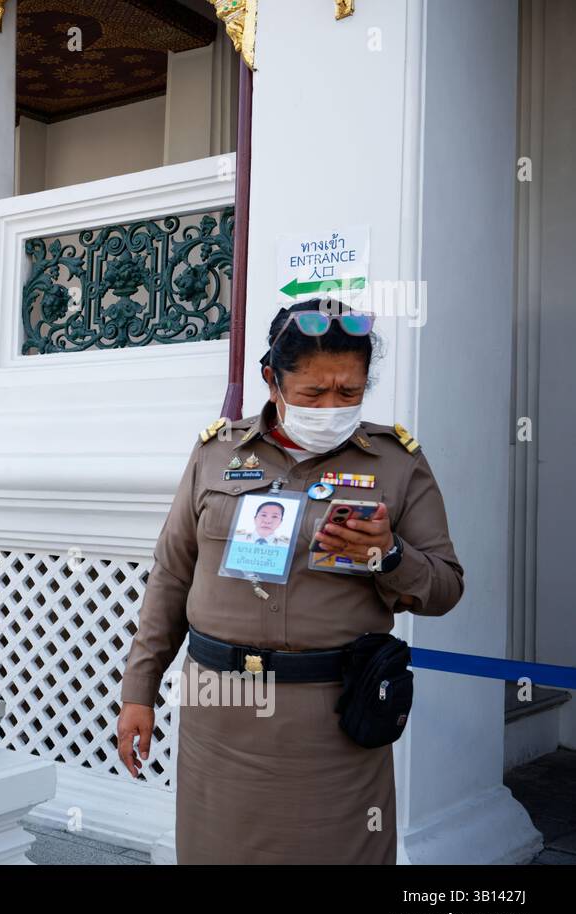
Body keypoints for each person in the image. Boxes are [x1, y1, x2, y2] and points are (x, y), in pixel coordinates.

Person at [115, 298, 464, 864]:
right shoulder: (216, 452)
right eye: (312, 394)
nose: (331, 407)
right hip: (219, 710)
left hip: (331, 722)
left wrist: (389, 555)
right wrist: (139, 689)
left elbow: (446, 587)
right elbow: (172, 576)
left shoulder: (398, 464)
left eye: (349, 393)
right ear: (271, 380)